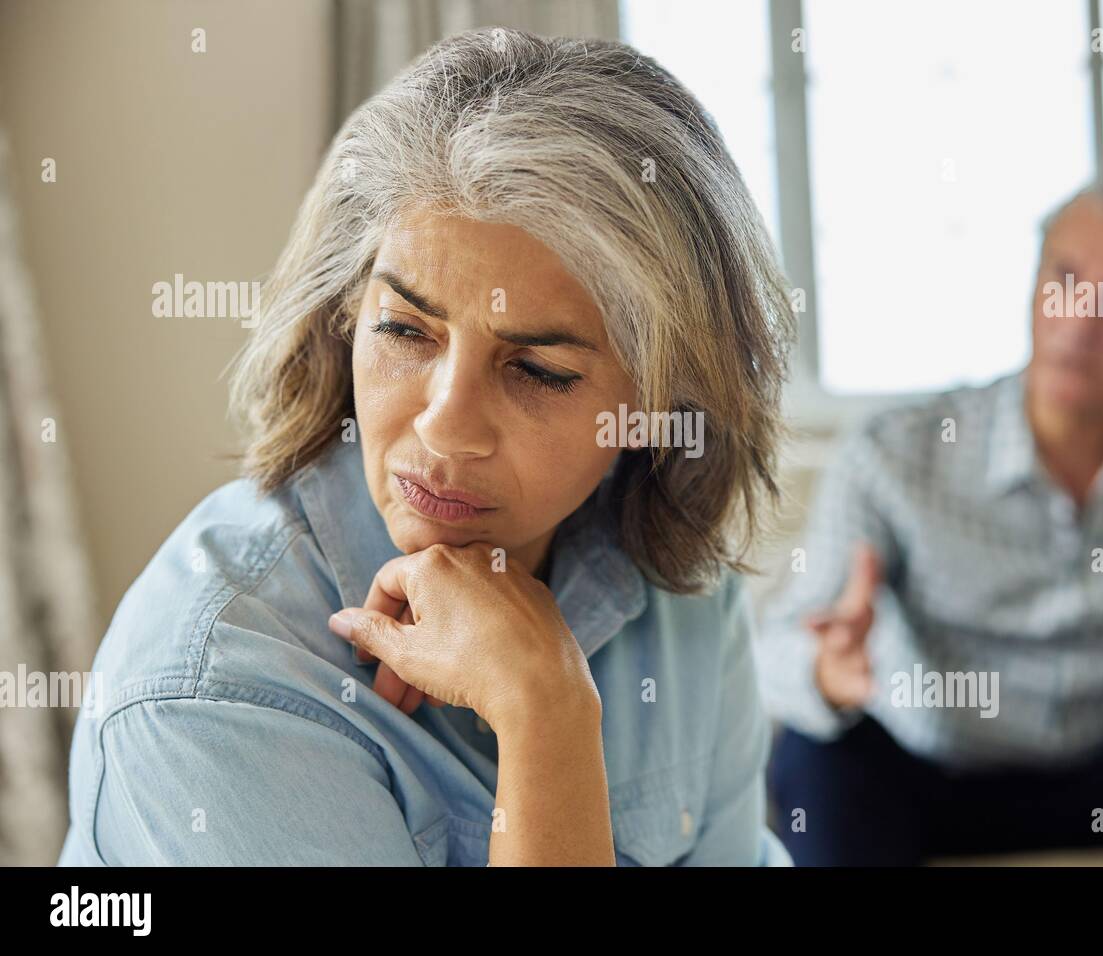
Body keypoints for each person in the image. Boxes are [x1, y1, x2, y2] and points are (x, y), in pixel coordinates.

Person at [58, 28, 795, 866]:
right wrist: (543, 714)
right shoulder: (215, 688)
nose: (445, 425)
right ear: (343, 317)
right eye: (405, 329)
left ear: (660, 402)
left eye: (539, 370)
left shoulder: (680, 597)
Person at [759, 179, 1103, 866]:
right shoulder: (893, 452)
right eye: (1065, 278)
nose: (1082, 320)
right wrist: (828, 671)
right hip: (934, 769)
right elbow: (775, 648)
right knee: (819, 746)